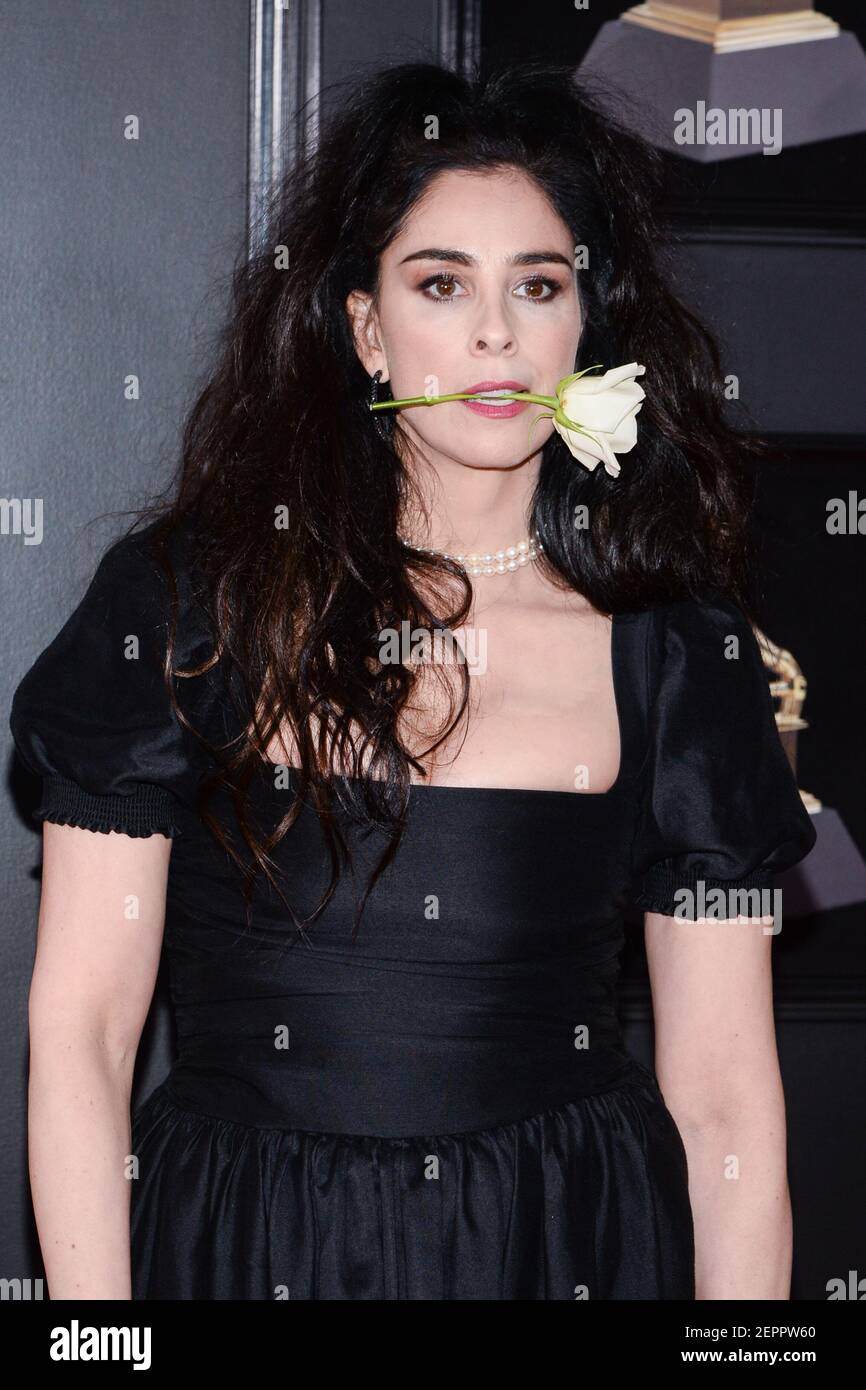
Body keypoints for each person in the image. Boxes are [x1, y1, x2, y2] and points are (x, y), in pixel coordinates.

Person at [9, 60, 816, 1301]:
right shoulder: (188, 601)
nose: (494, 333)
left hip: (562, 1249)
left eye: (536, 286)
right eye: (442, 283)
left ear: (582, 327)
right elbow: (83, 1038)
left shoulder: (674, 653)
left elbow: (722, 1104)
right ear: (367, 328)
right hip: (243, 1245)